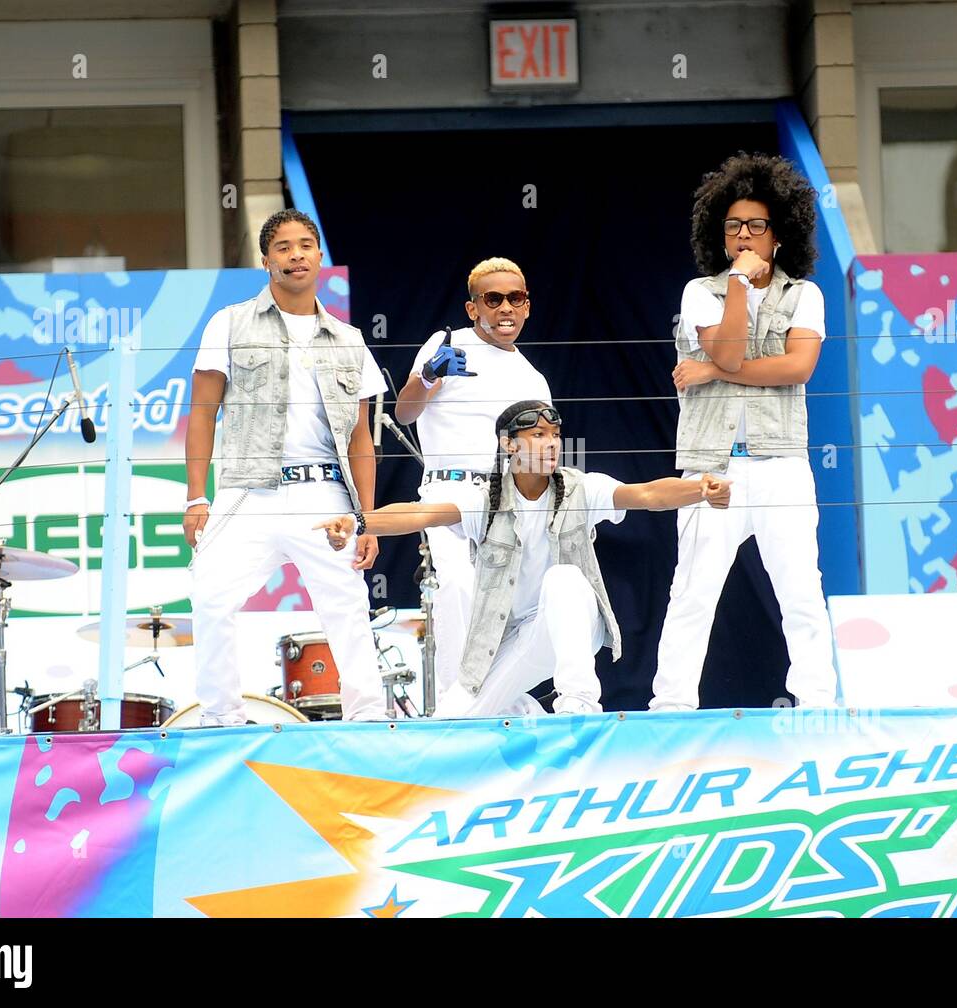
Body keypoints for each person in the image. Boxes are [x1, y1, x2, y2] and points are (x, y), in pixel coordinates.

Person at [316, 401, 732, 719]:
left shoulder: (581, 489)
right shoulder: (485, 498)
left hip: (570, 626)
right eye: (536, 435)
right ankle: (531, 718)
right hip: (510, 638)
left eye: (554, 434)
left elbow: (646, 495)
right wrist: (357, 521)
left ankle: (579, 705)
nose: (550, 442)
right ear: (508, 443)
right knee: (455, 725)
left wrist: (699, 488)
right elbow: (419, 512)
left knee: (565, 579)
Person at [183, 208, 388, 724]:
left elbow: (362, 438)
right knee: (209, 597)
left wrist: (367, 519)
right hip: (247, 491)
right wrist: (195, 496)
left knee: (347, 609)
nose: (295, 255)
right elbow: (203, 414)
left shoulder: (350, 339)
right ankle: (220, 721)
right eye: (283, 247)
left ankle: (367, 721)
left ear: (319, 256)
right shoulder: (228, 323)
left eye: (305, 245)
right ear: (265, 259)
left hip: (324, 495)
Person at [651, 152, 839, 711]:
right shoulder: (699, 292)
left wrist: (711, 370)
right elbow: (732, 347)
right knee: (692, 593)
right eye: (734, 226)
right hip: (713, 465)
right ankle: (672, 707)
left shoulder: (805, 295)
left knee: (801, 593)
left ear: (779, 234)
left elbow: (796, 368)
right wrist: (737, 288)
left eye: (757, 225)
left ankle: (818, 704)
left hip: (781, 463)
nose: (745, 236)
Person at [393, 258, 553, 699]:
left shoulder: (532, 378)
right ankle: (454, 703)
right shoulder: (446, 345)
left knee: (514, 602)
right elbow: (405, 413)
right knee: (459, 589)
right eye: (493, 298)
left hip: (506, 498)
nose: (505, 308)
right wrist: (428, 375)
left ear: (527, 307)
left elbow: (540, 454)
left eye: (515, 298)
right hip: (448, 489)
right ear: (472, 308)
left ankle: (500, 698)